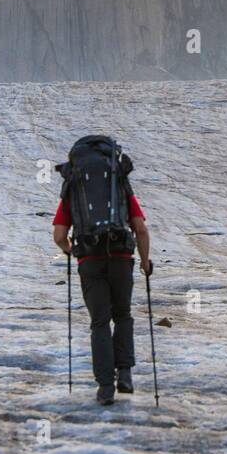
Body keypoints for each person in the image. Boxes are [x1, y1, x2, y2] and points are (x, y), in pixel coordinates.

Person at [52, 136, 151, 406]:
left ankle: (105, 387)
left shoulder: (74, 189)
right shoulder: (120, 186)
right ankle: (126, 374)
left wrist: (73, 251)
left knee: (99, 323)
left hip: (90, 261)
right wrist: (144, 262)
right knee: (123, 316)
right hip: (121, 258)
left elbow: (59, 234)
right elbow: (140, 228)